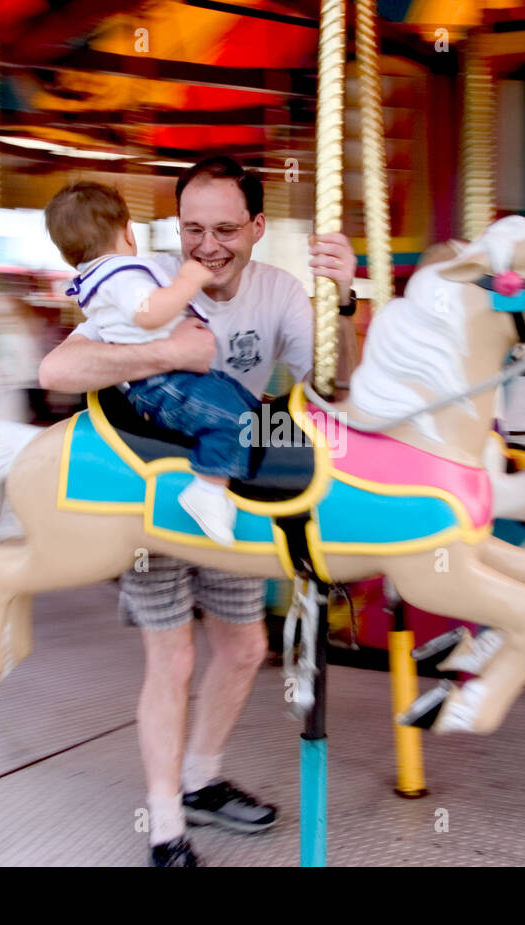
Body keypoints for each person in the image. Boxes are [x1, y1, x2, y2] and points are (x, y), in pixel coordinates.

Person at [38, 156, 358, 867]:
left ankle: (200, 778)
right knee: (173, 656)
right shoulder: (140, 279)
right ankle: (163, 824)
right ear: (170, 228)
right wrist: (166, 351)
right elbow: (57, 371)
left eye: (224, 230)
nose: (207, 246)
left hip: (231, 494)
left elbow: (336, 392)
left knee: (245, 647)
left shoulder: (278, 292)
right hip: (151, 492)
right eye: (192, 230)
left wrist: (340, 302)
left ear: (257, 227)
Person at [43, 181, 260, 546]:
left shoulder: (105, 279)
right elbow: (148, 312)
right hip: (164, 384)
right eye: (194, 228)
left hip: (176, 381)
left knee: (248, 407)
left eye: (223, 228)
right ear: (128, 232)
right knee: (234, 418)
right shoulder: (122, 274)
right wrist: (186, 283)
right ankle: (207, 492)